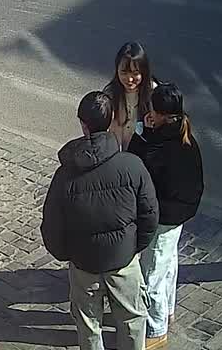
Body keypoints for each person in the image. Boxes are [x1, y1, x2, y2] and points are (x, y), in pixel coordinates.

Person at [42, 91, 158, 350]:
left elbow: (51, 226)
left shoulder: (64, 175)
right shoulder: (132, 165)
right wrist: (131, 247)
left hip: (84, 264)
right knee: (132, 320)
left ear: (83, 123)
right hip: (123, 261)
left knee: (88, 324)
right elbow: (150, 215)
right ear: (111, 120)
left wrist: (68, 255)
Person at [129, 84, 204, 347]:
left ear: (161, 114)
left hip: (163, 216)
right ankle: (168, 312)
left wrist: (142, 133)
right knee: (168, 265)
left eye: (152, 110)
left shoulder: (162, 144)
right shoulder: (183, 137)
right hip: (179, 214)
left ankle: (155, 331)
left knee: (151, 276)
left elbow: (136, 163)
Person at [106, 42, 157, 149]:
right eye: (124, 73)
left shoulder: (152, 92)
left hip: (142, 151)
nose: (129, 79)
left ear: (144, 71)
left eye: (135, 73)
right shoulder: (110, 94)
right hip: (117, 151)